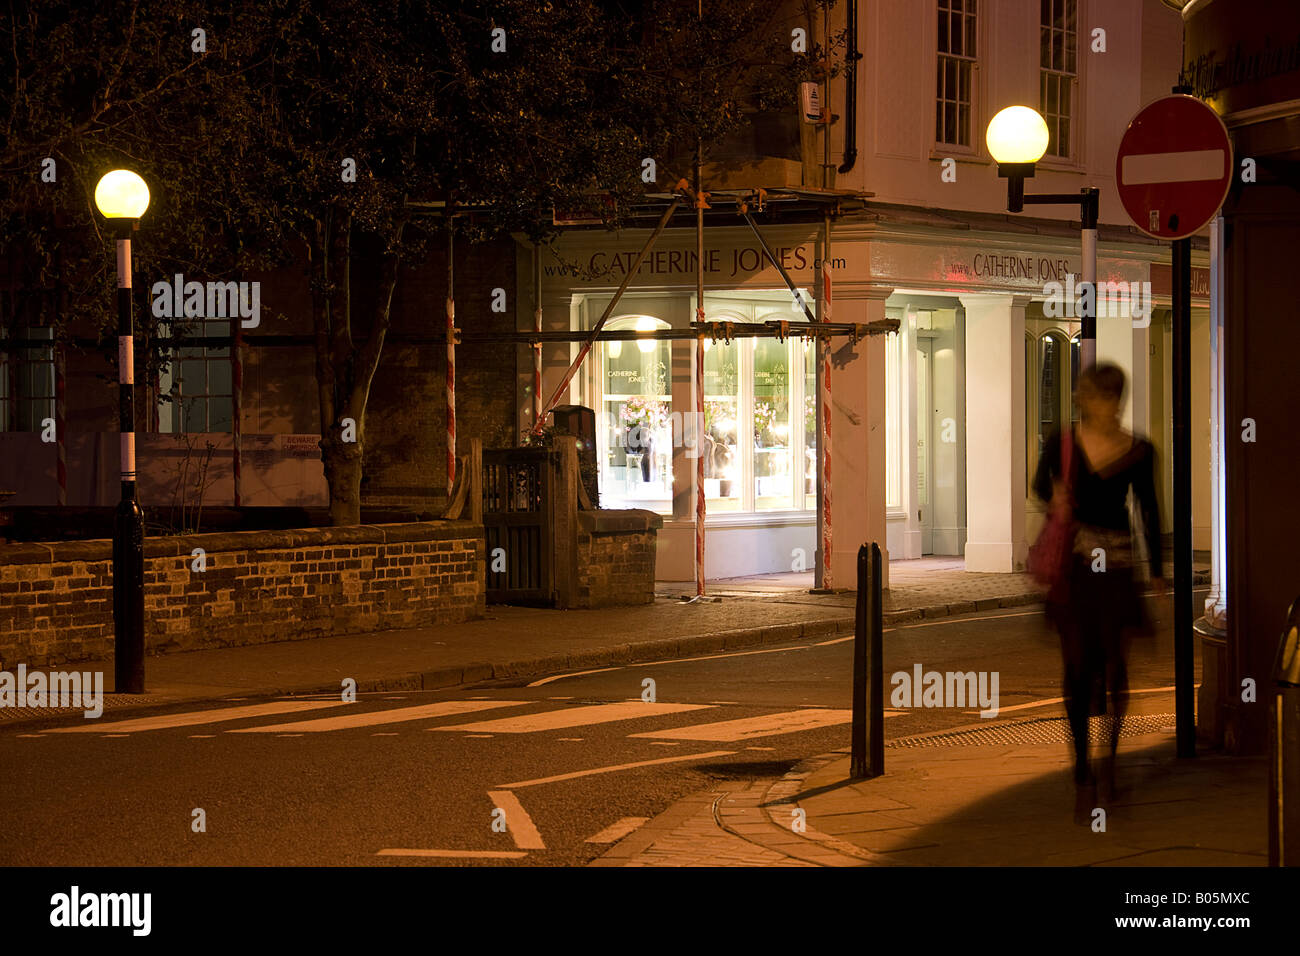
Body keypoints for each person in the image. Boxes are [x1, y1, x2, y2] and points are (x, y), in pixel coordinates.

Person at [1032, 362, 1166, 820]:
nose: (1101, 405)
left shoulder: (1139, 451)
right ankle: (1082, 771)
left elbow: (1148, 508)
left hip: (1118, 570)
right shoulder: (1062, 444)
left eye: (1109, 397)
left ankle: (1108, 760)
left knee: (1115, 669)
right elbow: (1038, 484)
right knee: (1075, 667)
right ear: (1082, 398)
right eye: (1093, 396)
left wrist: (1158, 572)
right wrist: (1055, 497)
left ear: (1118, 400)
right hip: (1075, 569)